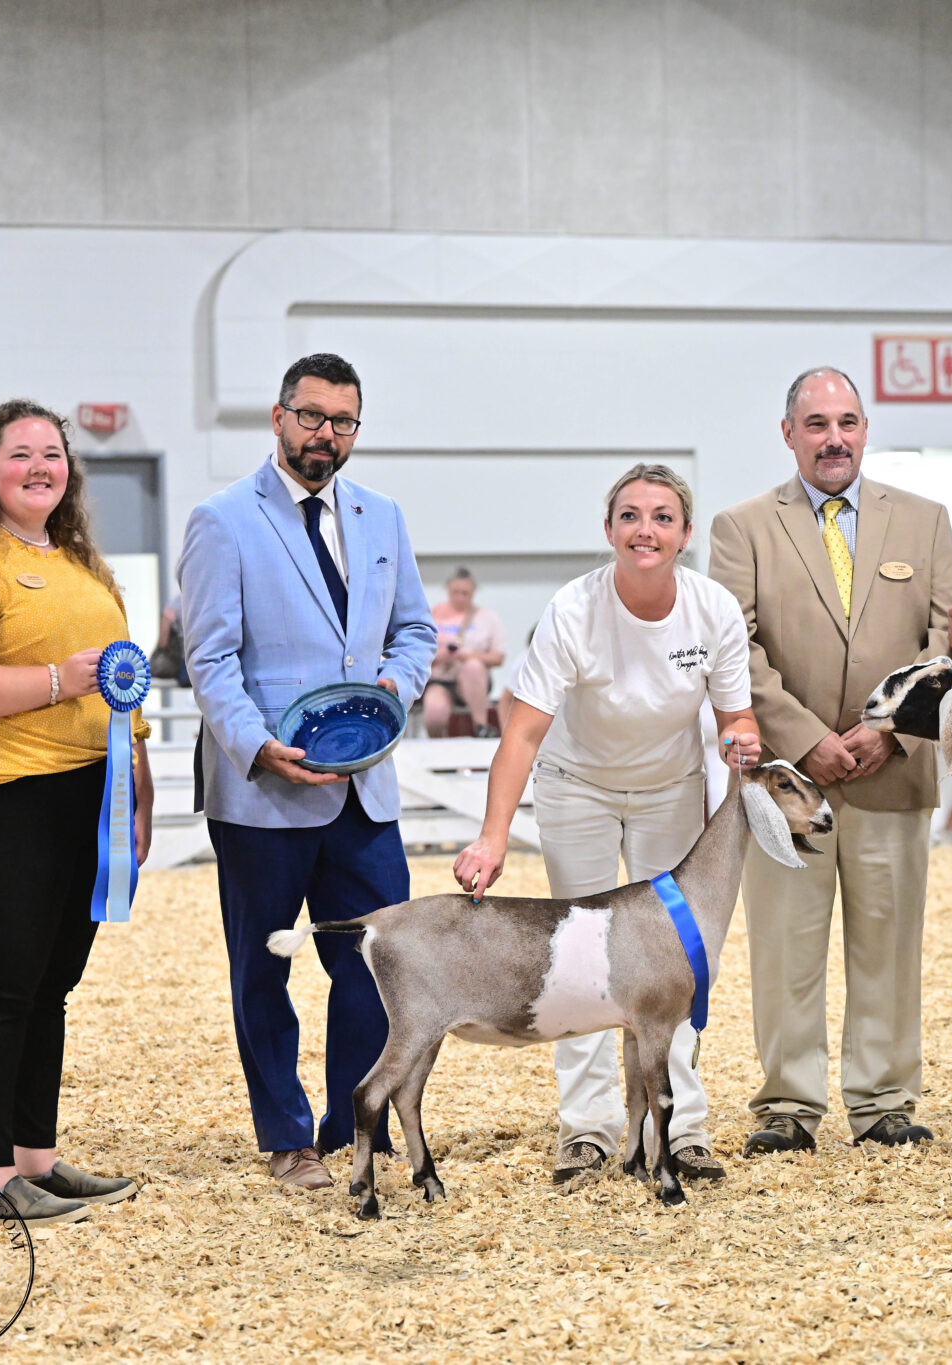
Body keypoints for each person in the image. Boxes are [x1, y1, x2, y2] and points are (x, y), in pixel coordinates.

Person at [453, 466, 757, 1185]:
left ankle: (678, 1128)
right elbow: (523, 733)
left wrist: (740, 743)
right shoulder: (572, 608)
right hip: (577, 788)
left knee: (674, 963)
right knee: (583, 960)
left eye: (662, 517)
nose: (645, 530)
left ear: (685, 533)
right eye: (630, 516)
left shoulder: (713, 609)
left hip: (670, 790)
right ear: (609, 529)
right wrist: (492, 836)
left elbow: (736, 718)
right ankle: (587, 1128)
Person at [179, 353, 437, 1192]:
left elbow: (416, 631)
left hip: (365, 788)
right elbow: (210, 657)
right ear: (279, 416)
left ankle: (354, 1123)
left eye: (344, 420)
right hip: (264, 789)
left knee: (376, 966)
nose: (327, 433)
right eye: (313, 416)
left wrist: (394, 687)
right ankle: (287, 1136)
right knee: (263, 968)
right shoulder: (223, 520)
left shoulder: (382, 515)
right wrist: (258, 745)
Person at [0, 400, 153, 1225]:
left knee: (49, 987)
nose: (40, 466)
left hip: (84, 793)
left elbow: (121, 690)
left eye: (53, 452)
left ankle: (34, 1158)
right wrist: (57, 680)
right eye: (21, 453)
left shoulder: (81, 562)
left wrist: (138, 782)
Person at [708, 366, 952, 1154]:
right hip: (789, 783)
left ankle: (884, 1101)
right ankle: (788, 1104)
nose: (834, 438)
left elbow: (946, 642)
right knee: (785, 946)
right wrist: (806, 738)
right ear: (789, 434)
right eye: (816, 424)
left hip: (893, 771)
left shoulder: (925, 521)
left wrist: (893, 729)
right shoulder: (741, 527)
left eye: (847, 422)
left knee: (889, 944)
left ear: (865, 430)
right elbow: (735, 647)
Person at [424, 567, 506, 738]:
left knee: (473, 666)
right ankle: (438, 747)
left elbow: (498, 656)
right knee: (434, 712)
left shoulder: (487, 618)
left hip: (473, 681)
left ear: (473, 593)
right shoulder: (432, 614)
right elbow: (418, 653)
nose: (460, 597)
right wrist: (442, 656)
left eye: (465, 593)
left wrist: (468, 657)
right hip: (441, 679)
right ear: (448, 590)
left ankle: (481, 726)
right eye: (456, 592)